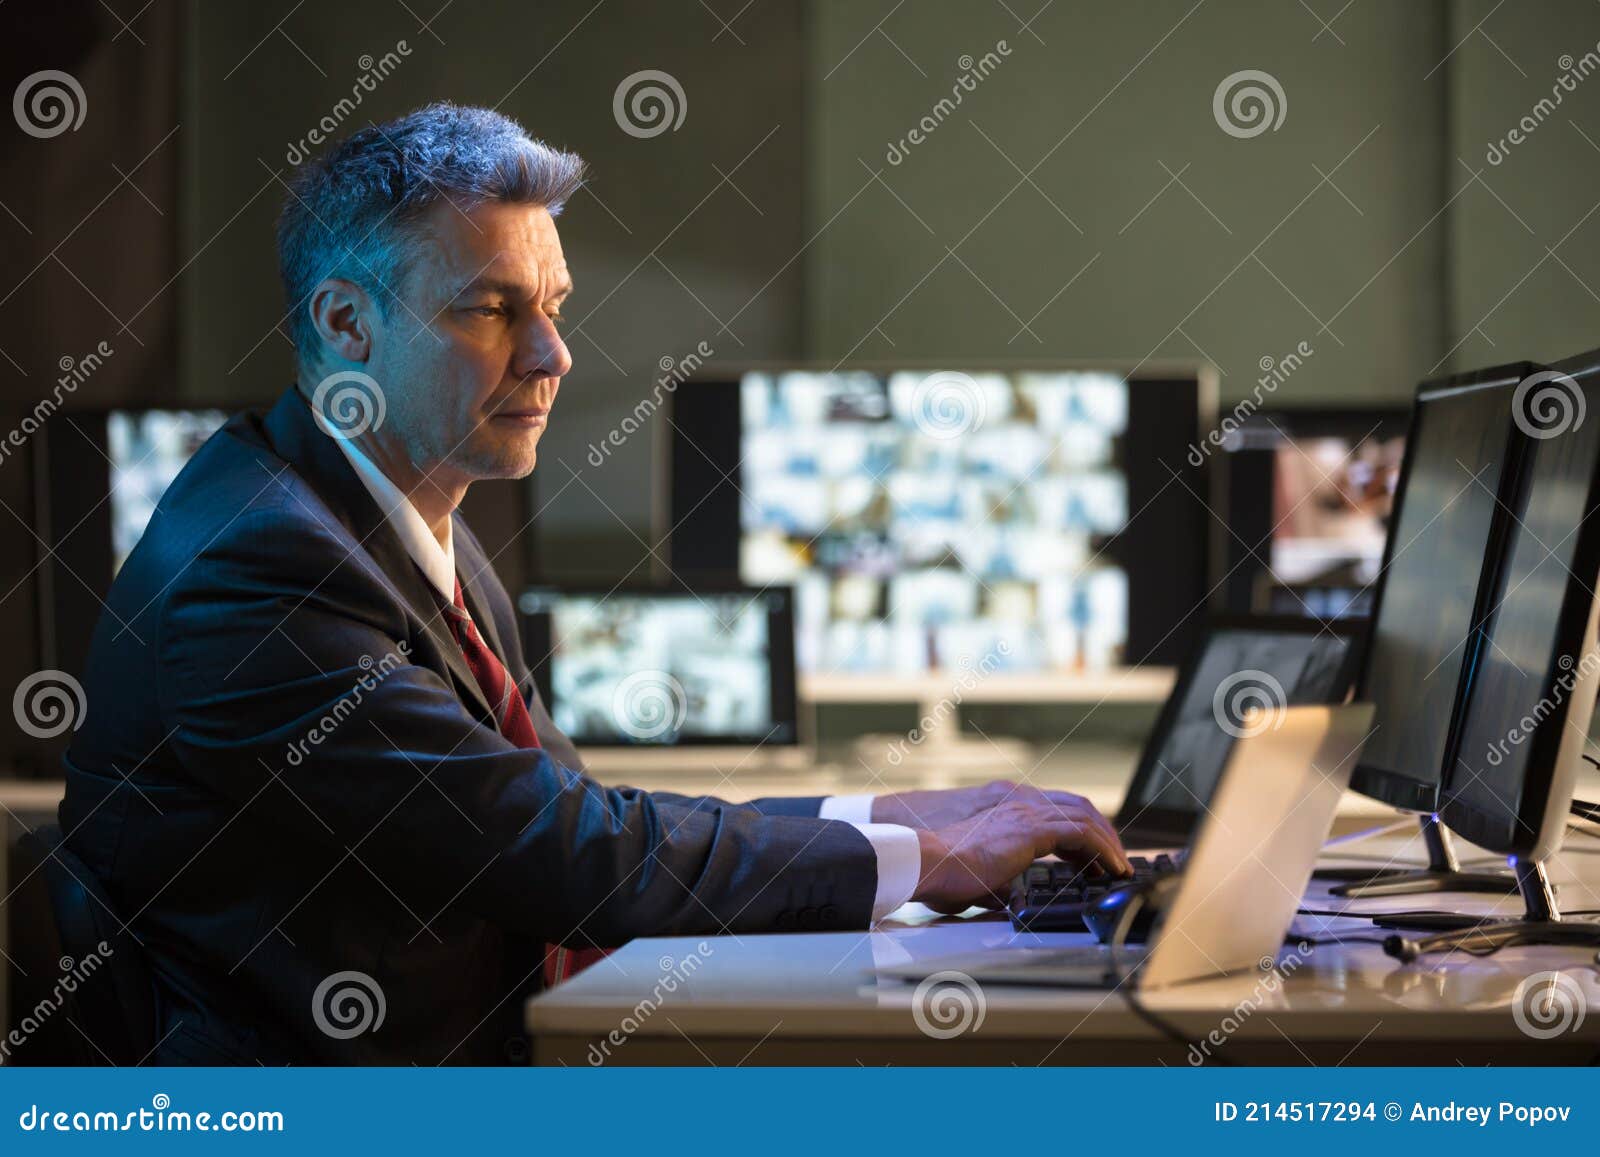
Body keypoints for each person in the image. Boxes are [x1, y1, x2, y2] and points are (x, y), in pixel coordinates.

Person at [60, 103, 1128, 1065]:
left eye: (555, 304)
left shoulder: (391, 510)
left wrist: (887, 810)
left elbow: (573, 815)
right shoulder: (260, 576)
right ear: (346, 326)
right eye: (491, 308)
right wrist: (923, 855)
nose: (555, 354)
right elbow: (562, 856)